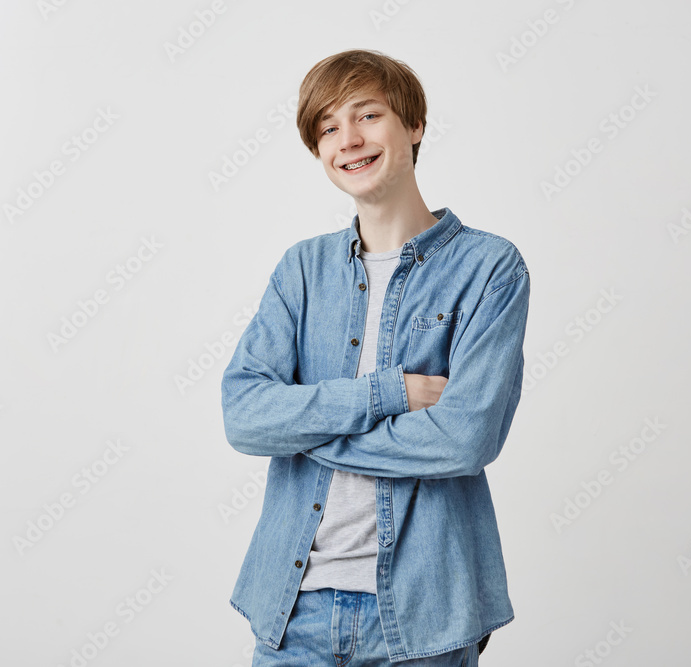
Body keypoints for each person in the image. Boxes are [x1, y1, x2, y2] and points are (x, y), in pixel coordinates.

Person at [221, 48, 531, 666]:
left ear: (413, 126)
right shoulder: (302, 270)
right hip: (293, 609)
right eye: (328, 128)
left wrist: (306, 430)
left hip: (424, 615)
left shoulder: (489, 269)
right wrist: (388, 394)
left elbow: (463, 440)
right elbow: (246, 416)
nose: (349, 140)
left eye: (368, 116)